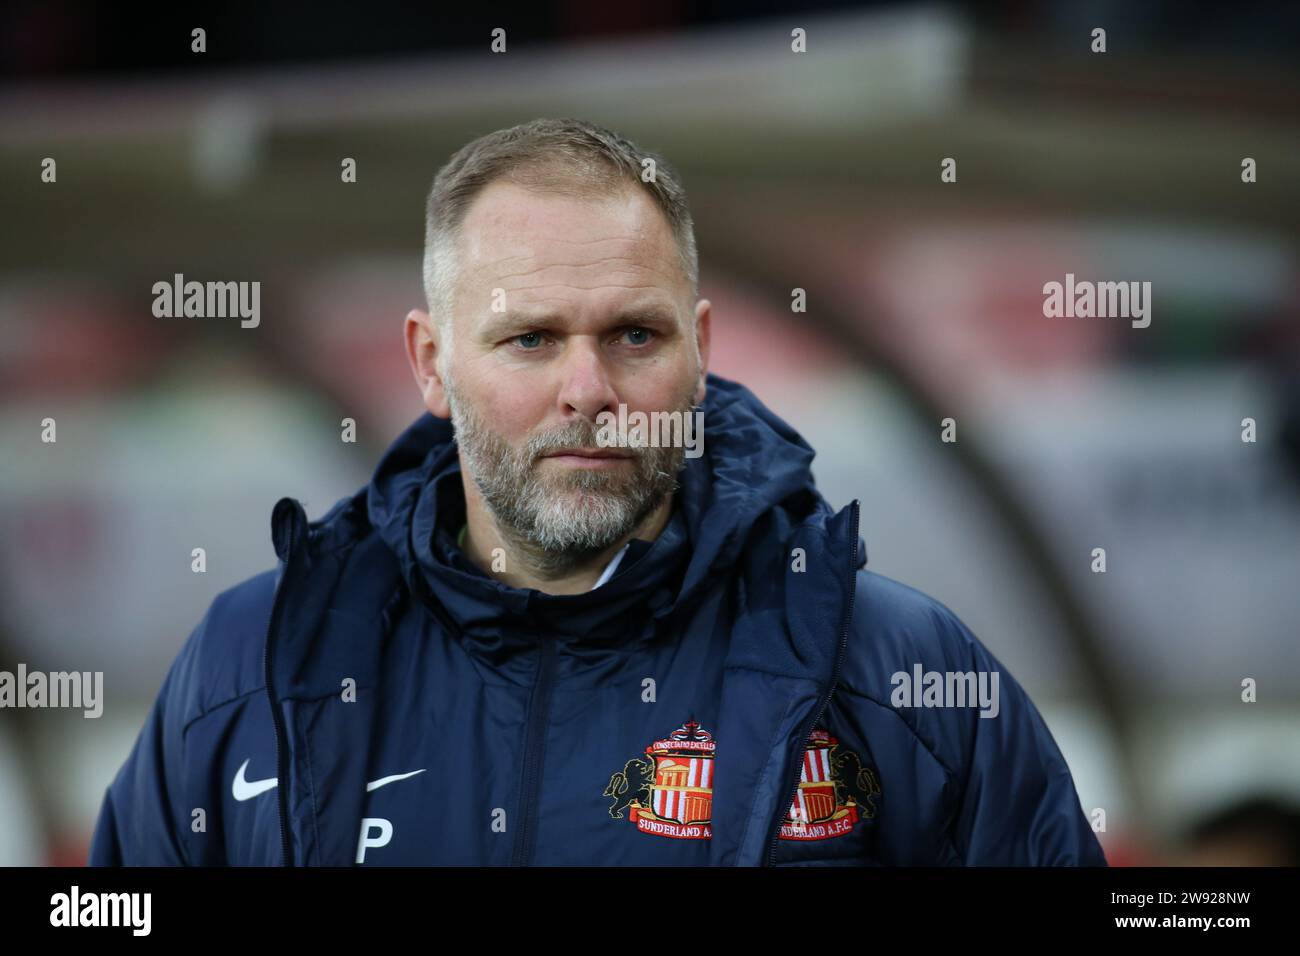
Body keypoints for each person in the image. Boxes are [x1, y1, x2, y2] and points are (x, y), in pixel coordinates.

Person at [89, 117, 1105, 866]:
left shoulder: (893, 669)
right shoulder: (251, 667)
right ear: (430, 362)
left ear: (700, 351)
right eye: (530, 338)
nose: (589, 390)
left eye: (633, 334)